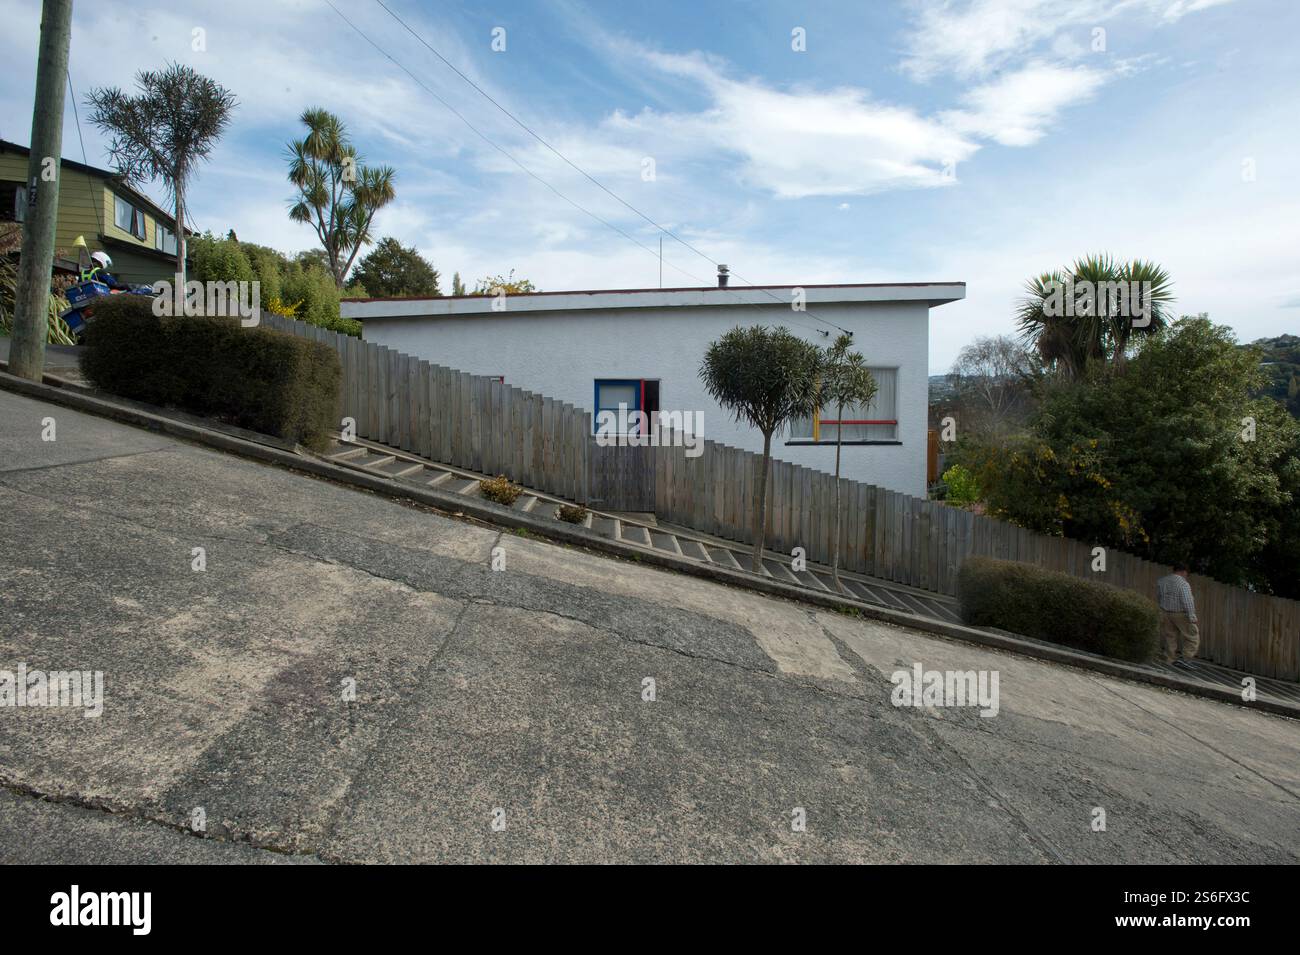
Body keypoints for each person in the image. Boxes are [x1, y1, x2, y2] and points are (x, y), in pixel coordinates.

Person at [1155, 565, 1199, 665]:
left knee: (1170, 637)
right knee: (1192, 636)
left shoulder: (1162, 581)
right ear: (1184, 572)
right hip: (1181, 614)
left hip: (1166, 613)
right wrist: (1192, 616)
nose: (1186, 576)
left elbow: (1159, 597)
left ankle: (1169, 659)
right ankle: (1186, 659)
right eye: (1186, 574)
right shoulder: (1183, 584)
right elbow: (1187, 601)